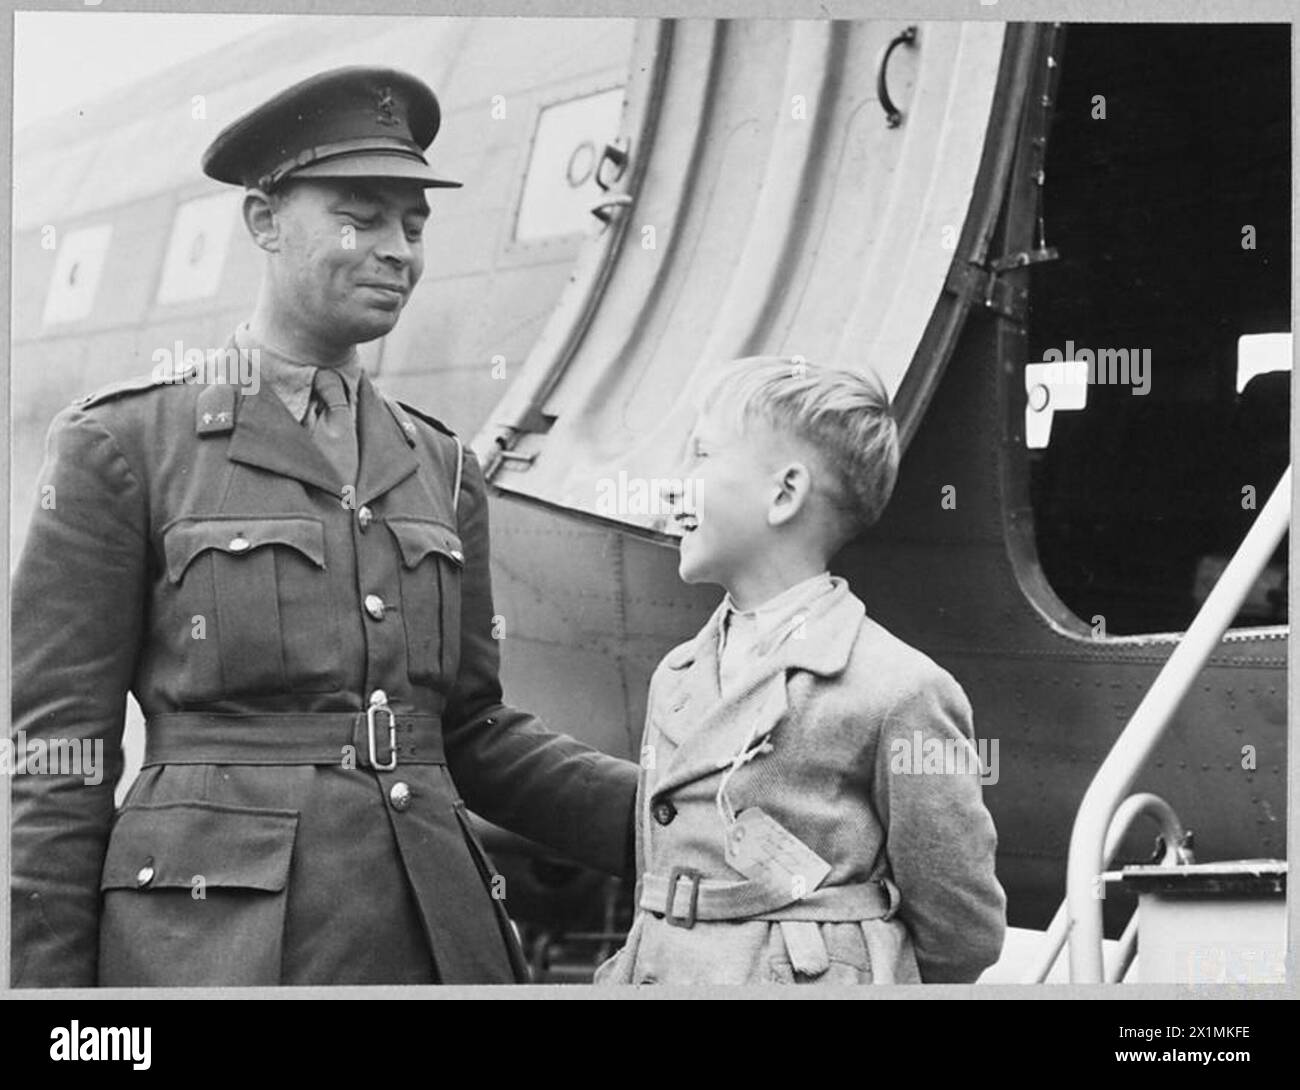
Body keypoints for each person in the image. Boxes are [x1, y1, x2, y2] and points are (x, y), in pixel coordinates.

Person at [10, 66, 638, 987]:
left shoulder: (441, 465)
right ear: (264, 221)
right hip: (217, 953)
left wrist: (676, 814)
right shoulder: (125, 447)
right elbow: (58, 761)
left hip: (429, 941)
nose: (397, 252)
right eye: (362, 218)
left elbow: (473, 731)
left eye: (413, 227)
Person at [594, 358, 1006, 985]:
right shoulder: (677, 675)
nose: (673, 487)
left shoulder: (899, 689)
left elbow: (960, 931)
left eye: (700, 455)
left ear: (784, 493)